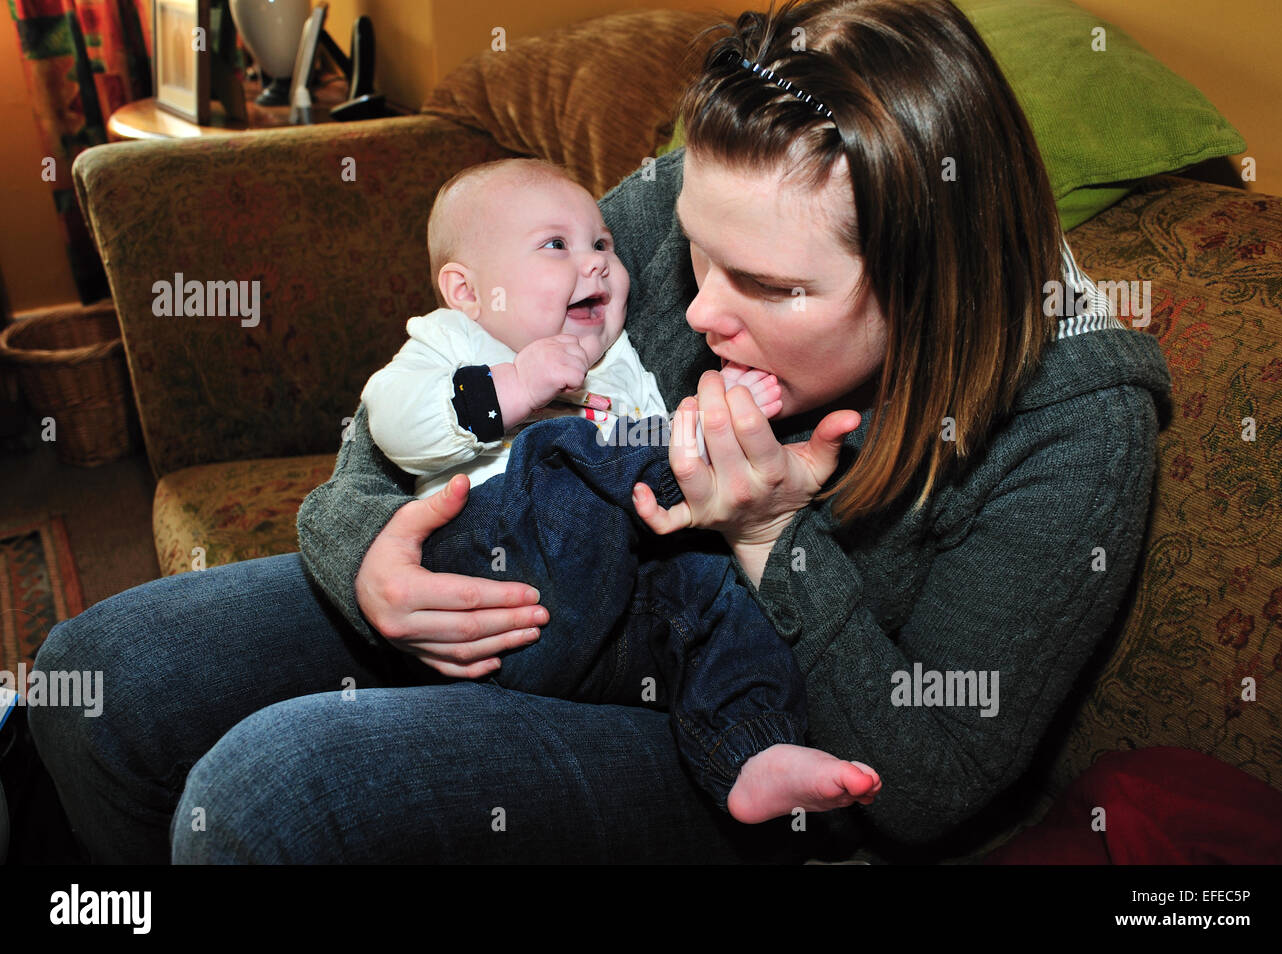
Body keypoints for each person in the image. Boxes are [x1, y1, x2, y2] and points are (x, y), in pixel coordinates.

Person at [30, 0, 1169, 864]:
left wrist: (772, 536)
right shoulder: (717, 198)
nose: (698, 304)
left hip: (745, 729)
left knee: (275, 793)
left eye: (767, 288)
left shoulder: (1073, 428)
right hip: (542, 582)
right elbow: (436, 372)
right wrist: (364, 546)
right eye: (691, 249)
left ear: (929, 280)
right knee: (97, 673)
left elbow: (927, 780)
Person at [359, 156, 881, 820]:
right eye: (558, 246)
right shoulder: (452, 341)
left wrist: (716, 417)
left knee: (716, 590)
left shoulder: (618, 362)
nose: (598, 261)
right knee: (571, 446)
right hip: (488, 579)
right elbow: (393, 420)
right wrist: (514, 387)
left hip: (603, 619)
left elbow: (643, 470)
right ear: (466, 290)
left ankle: (753, 751)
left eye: (603, 243)